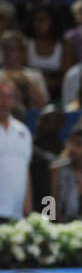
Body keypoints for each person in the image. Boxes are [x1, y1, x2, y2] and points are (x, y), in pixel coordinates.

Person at [0, 79, 32, 221]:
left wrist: (28, 208)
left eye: (8, 97)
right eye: (0, 95)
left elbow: (25, 170)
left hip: (16, 214)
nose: (4, 101)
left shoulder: (23, 131)